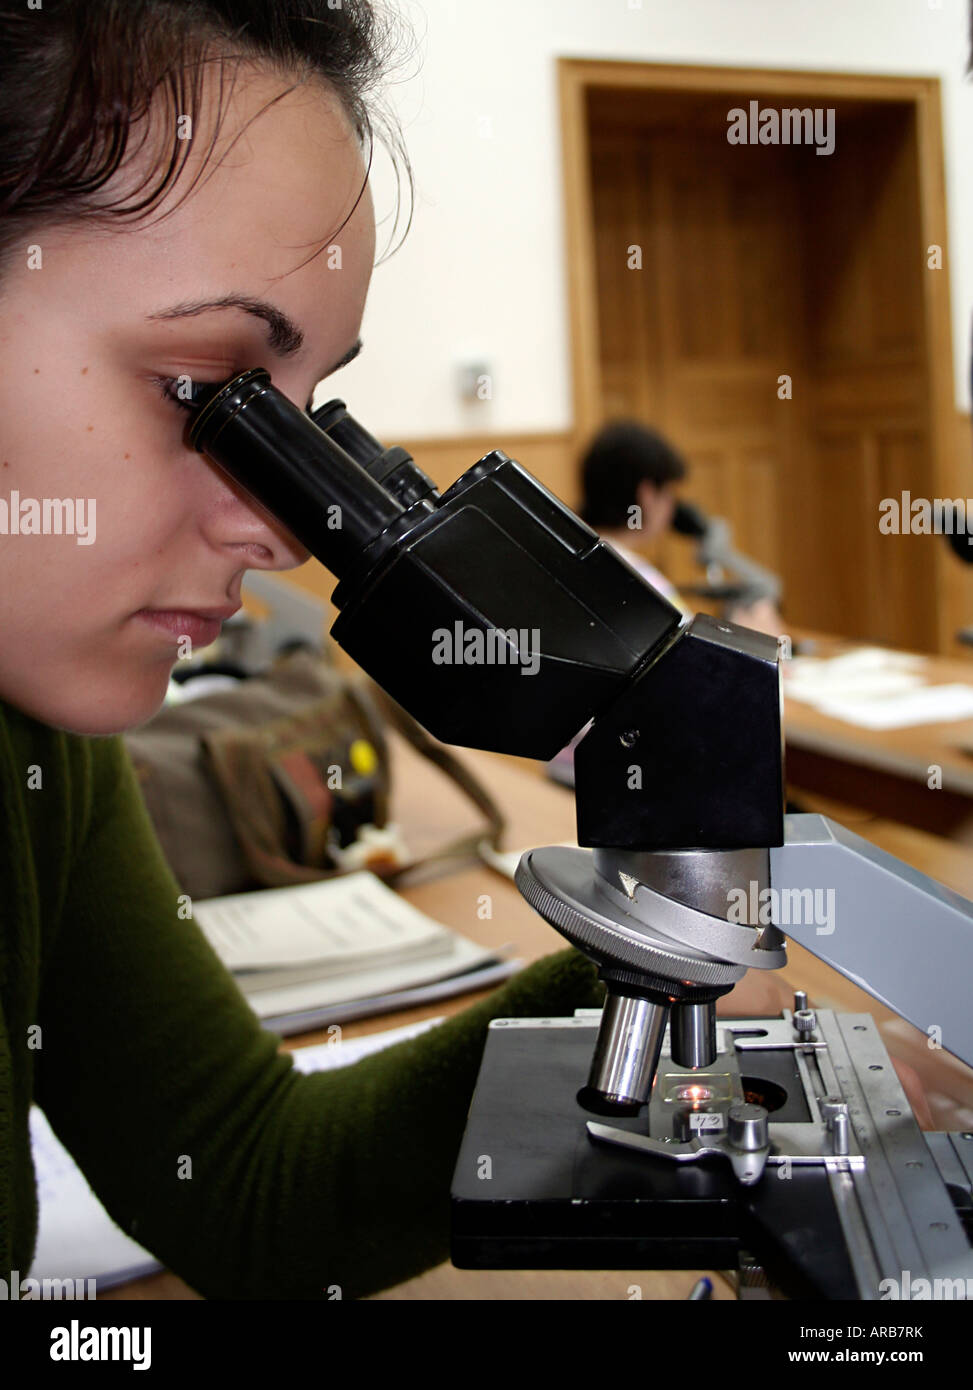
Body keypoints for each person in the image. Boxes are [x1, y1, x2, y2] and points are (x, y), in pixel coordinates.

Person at [0, 2, 922, 1303]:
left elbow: (257, 1182)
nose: (279, 528)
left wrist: (662, 980)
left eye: (305, 425)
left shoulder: (38, 746)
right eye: (210, 393)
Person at [578, 420, 782, 633]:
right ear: (646, 494)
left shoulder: (582, 565)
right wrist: (754, 634)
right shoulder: (642, 583)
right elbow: (693, 660)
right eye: (669, 493)